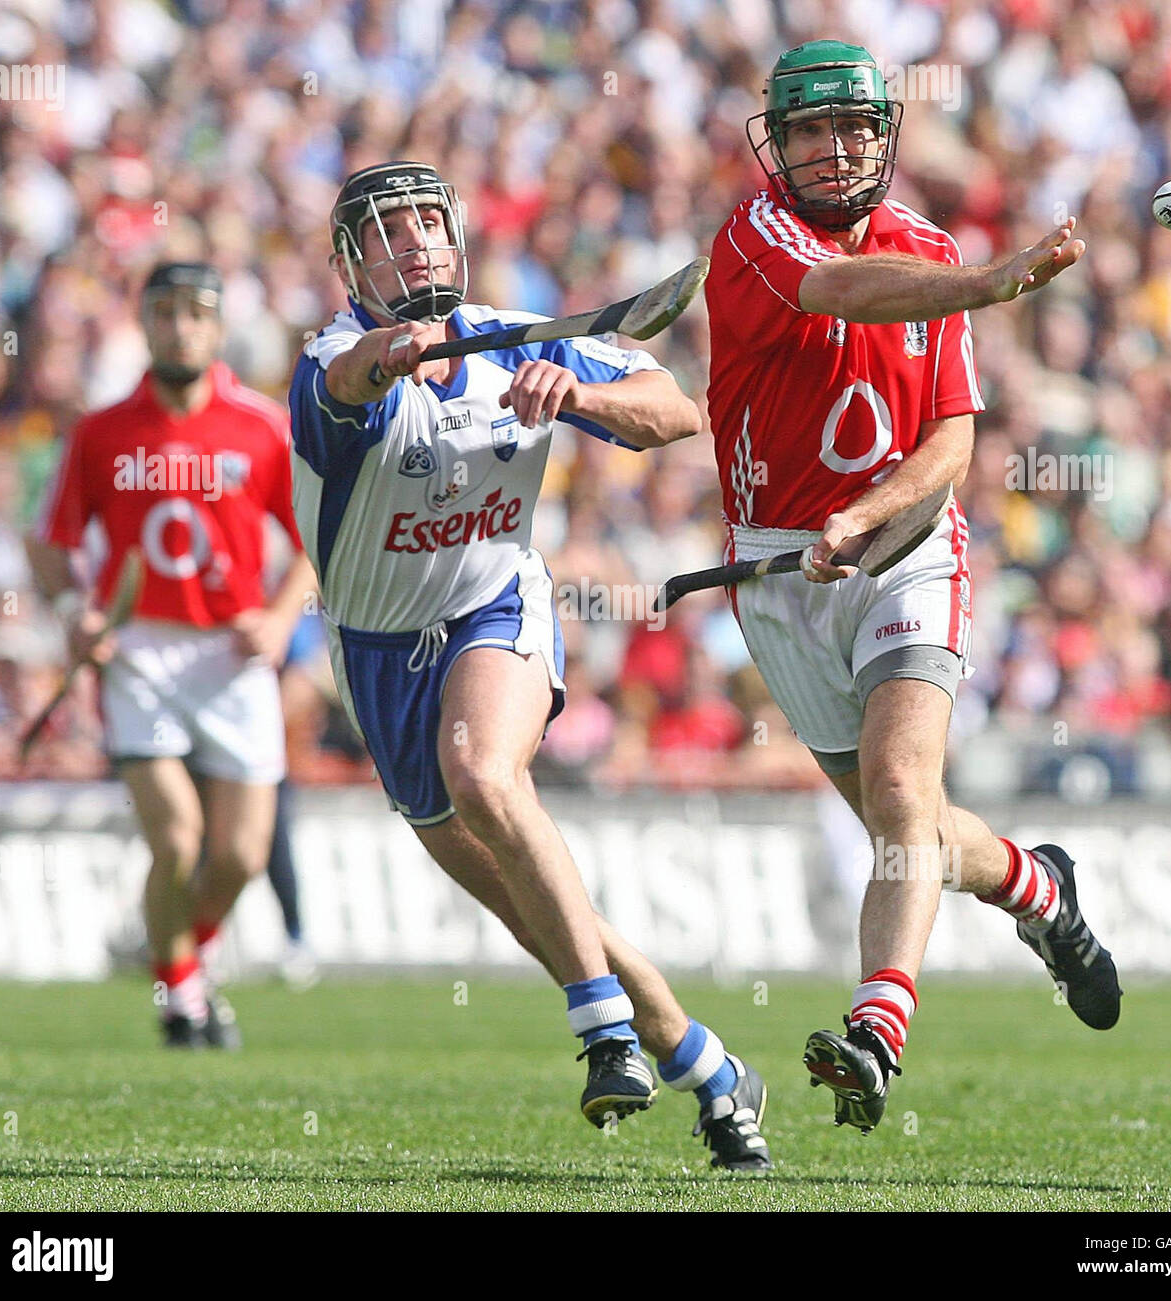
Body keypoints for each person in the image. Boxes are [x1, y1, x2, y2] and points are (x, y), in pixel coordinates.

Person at [287, 161, 770, 1169]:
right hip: (377, 653)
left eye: (429, 222)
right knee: (542, 908)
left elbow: (676, 405)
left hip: (494, 603)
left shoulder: (524, 334)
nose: (415, 241)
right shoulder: (329, 358)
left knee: (483, 772)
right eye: (387, 230)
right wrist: (394, 354)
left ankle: (603, 1035)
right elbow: (348, 385)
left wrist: (579, 397)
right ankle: (710, 1068)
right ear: (347, 262)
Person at [706, 41, 1122, 1134]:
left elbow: (950, 440)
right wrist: (986, 282)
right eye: (808, 128)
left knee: (900, 792)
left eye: (852, 126)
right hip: (777, 570)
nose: (833, 148)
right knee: (916, 828)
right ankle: (1039, 885)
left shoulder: (929, 248)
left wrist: (864, 512)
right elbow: (837, 289)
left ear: (884, 136)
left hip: (906, 550)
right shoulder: (755, 235)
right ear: (777, 144)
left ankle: (875, 1033)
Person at [27, 262, 316, 1048]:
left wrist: (281, 616)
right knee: (178, 839)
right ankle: (180, 991)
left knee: (241, 854)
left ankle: (185, 951)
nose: (180, 327)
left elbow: (316, 543)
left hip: (233, 652)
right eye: (163, 312)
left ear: (218, 328)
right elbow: (49, 540)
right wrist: (72, 610)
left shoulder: (260, 426)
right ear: (144, 325)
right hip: (142, 655)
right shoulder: (102, 430)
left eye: (195, 313)